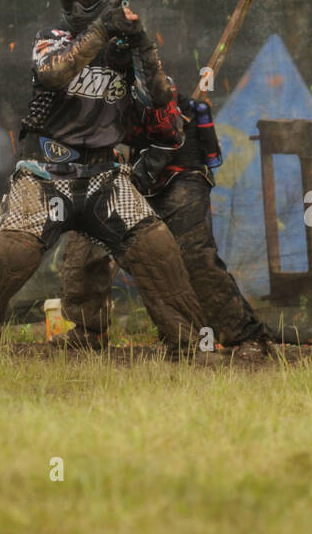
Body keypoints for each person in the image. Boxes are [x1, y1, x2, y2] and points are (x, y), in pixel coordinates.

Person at [0, 0, 205, 351]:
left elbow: (160, 96)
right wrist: (101, 30)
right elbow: (52, 73)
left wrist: (141, 42)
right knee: (8, 253)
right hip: (44, 172)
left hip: (105, 175)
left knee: (156, 249)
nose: (76, 6)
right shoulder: (52, 38)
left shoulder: (124, 45)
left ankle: (187, 344)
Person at [57, 91, 275, 355]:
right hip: (131, 167)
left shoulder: (142, 73)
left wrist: (134, 174)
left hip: (181, 165)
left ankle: (246, 337)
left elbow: (169, 137)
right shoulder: (85, 87)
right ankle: (89, 332)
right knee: (88, 240)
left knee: (191, 252)